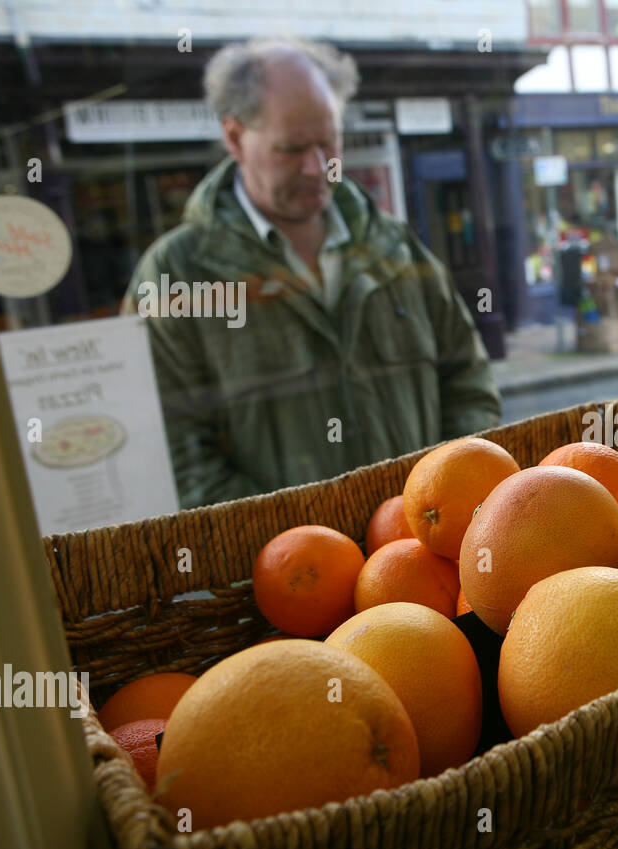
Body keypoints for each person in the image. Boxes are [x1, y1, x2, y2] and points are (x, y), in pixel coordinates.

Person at [122, 36, 501, 509]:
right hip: (281, 575)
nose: (318, 167)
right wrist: (283, 538)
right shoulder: (175, 275)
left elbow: (467, 383)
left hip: (418, 561)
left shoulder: (395, 246)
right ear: (235, 137)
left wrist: (443, 503)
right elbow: (168, 448)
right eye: (292, 148)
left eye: (328, 141)